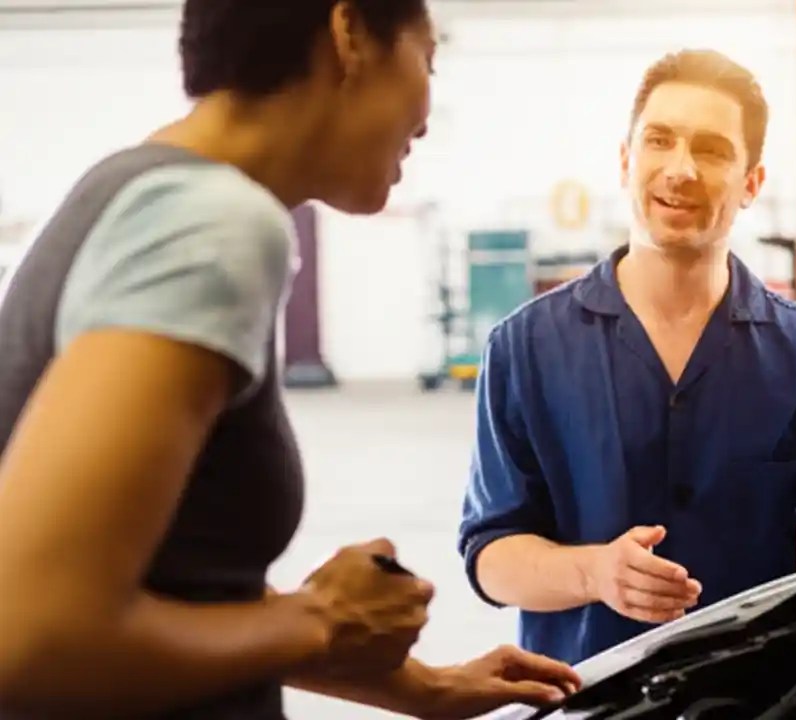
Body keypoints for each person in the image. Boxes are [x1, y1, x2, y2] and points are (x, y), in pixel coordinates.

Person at [0, 1, 579, 718]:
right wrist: (322, 619)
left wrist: (425, 687)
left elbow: (180, 591)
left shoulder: (129, 191)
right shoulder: (208, 223)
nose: (427, 118)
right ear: (348, 36)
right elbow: (32, 638)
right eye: (427, 60)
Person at [457, 48, 796, 666]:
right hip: (588, 696)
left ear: (751, 184)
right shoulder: (525, 348)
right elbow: (492, 556)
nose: (679, 170)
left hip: (755, 691)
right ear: (626, 159)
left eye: (711, 150)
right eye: (659, 140)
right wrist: (593, 574)